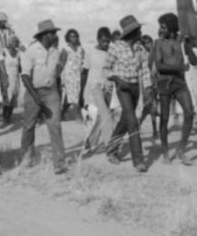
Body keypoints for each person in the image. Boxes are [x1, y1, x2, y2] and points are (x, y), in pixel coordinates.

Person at [104, 15, 151, 172]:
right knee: (132, 121)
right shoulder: (116, 47)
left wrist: (147, 89)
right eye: (139, 30)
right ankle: (138, 160)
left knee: (125, 120)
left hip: (135, 87)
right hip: (122, 88)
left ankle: (111, 149)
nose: (141, 31)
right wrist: (117, 79)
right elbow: (106, 69)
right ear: (132, 32)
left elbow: (145, 69)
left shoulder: (140, 48)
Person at [20, 19, 66, 174]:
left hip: (51, 92)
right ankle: (27, 158)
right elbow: (25, 76)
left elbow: (56, 74)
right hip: (34, 92)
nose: (55, 35)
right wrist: (35, 96)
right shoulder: (31, 51)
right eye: (53, 33)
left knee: (55, 126)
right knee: (29, 126)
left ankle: (59, 163)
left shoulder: (55, 52)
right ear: (46, 35)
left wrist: (58, 92)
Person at [151, 13, 196, 164]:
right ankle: (165, 152)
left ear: (171, 27)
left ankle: (181, 150)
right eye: (160, 27)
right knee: (164, 118)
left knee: (189, 113)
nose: (160, 29)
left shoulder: (182, 43)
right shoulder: (158, 43)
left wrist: (188, 45)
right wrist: (179, 67)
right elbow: (159, 66)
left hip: (180, 83)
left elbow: (195, 62)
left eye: (163, 26)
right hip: (164, 83)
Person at [83, 27, 113, 155]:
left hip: (108, 87)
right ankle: (109, 145)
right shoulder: (90, 52)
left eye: (108, 41)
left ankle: (91, 141)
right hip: (95, 87)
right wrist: (81, 93)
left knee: (104, 116)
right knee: (104, 116)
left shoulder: (111, 53)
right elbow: (85, 71)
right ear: (98, 40)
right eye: (103, 41)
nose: (106, 44)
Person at [60, 28, 86, 120]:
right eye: (71, 36)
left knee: (78, 94)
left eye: (75, 36)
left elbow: (84, 61)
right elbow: (61, 64)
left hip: (78, 76)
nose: (74, 38)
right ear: (68, 37)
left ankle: (66, 113)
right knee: (70, 95)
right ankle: (75, 114)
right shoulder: (65, 50)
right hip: (69, 76)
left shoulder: (80, 49)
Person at [0, 36, 21, 125]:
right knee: (7, 97)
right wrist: (4, 75)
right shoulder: (4, 51)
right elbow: (1, 64)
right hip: (7, 76)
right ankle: (5, 116)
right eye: (14, 42)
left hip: (15, 78)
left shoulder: (18, 53)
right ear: (10, 43)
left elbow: (20, 67)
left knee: (13, 97)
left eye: (17, 42)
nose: (16, 44)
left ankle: (9, 115)